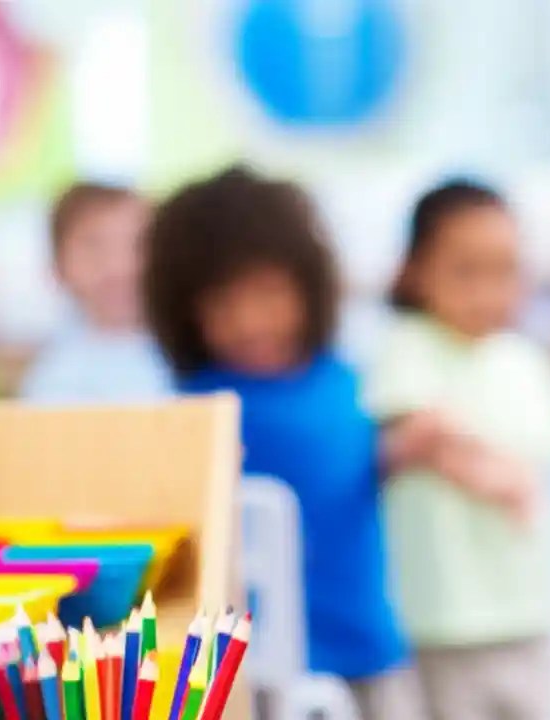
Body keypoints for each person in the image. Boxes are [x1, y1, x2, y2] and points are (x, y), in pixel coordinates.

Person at [143, 167, 421, 720]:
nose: (249, 322)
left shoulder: (349, 383)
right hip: (260, 673)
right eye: (222, 303)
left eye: (269, 293)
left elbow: (361, 466)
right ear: (185, 310)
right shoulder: (198, 410)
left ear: (308, 286)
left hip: (369, 653)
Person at [364, 179, 550, 720]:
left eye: (504, 271)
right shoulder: (407, 347)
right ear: (416, 270)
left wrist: (477, 460)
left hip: (525, 612)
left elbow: (545, 463)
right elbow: (415, 435)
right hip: (440, 619)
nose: (487, 291)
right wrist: (494, 475)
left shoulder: (524, 361)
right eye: (465, 271)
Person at [20, 182, 172, 403]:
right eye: (94, 248)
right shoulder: (55, 379)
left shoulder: (194, 349)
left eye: (138, 244)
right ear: (58, 268)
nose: (120, 267)